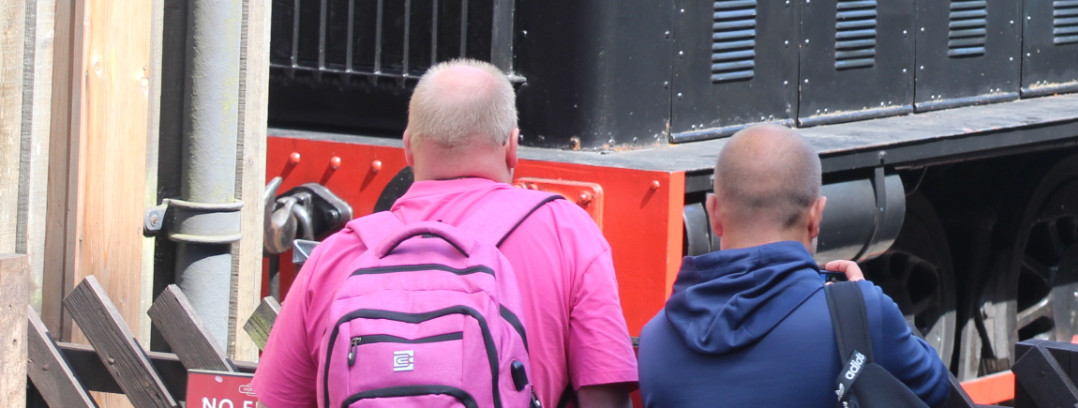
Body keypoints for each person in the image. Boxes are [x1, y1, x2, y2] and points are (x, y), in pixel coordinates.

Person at [252, 59, 638, 408]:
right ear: (512, 147)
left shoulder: (336, 254)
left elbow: (280, 400)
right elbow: (603, 396)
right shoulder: (566, 231)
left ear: (407, 148)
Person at [636, 123, 954, 407]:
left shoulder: (655, 339)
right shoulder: (858, 314)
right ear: (816, 217)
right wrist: (862, 303)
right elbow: (935, 388)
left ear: (714, 213)